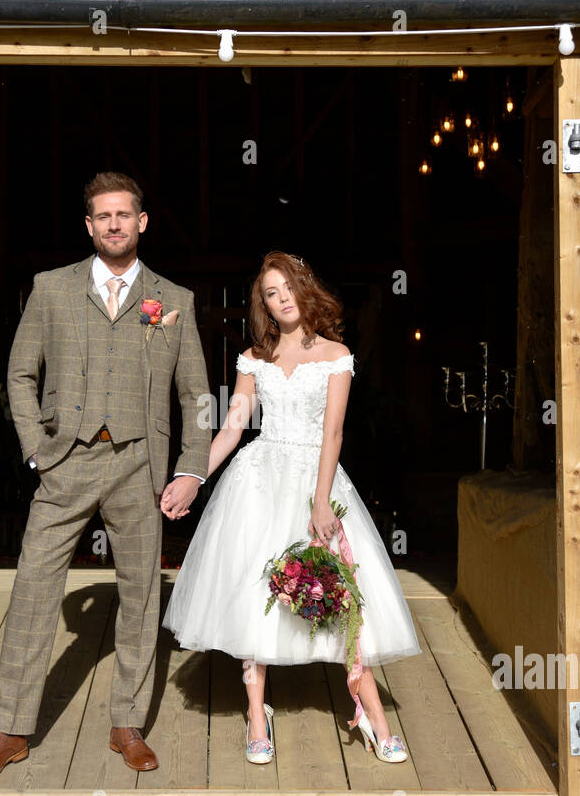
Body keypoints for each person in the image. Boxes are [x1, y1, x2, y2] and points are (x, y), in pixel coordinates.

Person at [0, 171, 211, 780]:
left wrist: (191, 471)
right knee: (31, 593)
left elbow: (197, 396)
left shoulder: (172, 297)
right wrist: (34, 449)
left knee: (141, 595)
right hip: (66, 462)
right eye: (102, 216)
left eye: (124, 214)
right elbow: (20, 375)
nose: (114, 224)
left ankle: (127, 725)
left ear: (141, 222)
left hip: (139, 465)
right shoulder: (51, 289)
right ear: (89, 225)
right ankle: (9, 730)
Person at [162, 251, 420, 765]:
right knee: (252, 591)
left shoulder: (336, 355)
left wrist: (321, 500)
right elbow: (234, 427)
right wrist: (191, 476)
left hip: (315, 480)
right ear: (264, 305)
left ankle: (373, 716)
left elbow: (333, 432)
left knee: (347, 594)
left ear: (305, 289)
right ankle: (258, 716)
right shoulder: (255, 359)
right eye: (270, 294)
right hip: (257, 482)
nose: (281, 300)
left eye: (288, 288)